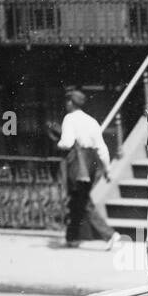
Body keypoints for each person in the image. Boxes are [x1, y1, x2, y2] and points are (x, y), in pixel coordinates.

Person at [52, 88, 121, 249]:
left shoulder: (69, 119)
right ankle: (71, 237)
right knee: (78, 199)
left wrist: (58, 143)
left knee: (82, 201)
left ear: (71, 102)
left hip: (77, 163)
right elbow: (101, 148)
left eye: (67, 101)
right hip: (91, 164)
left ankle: (110, 235)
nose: (66, 104)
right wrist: (107, 169)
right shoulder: (91, 121)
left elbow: (67, 142)